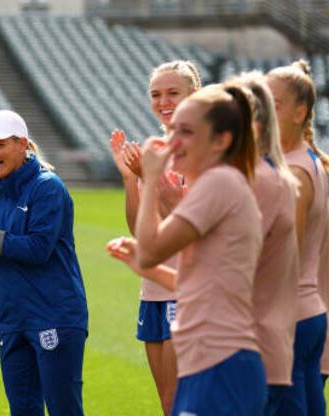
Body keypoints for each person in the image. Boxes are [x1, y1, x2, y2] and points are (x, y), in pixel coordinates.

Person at [107, 83, 267, 415]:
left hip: (220, 353)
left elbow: (152, 248)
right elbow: (200, 283)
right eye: (175, 129)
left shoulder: (217, 183)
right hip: (213, 351)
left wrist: (149, 180)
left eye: (187, 132)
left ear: (221, 141)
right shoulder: (223, 180)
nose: (174, 140)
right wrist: (144, 267)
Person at [0, 110, 88, 416]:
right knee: (23, 411)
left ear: (22, 144)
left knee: (63, 410)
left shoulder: (47, 187)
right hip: (12, 319)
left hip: (54, 314)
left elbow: (38, 248)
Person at [108, 60, 201, 415]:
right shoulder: (157, 148)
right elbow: (139, 228)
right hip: (154, 290)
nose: (163, 101)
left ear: (194, 95)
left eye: (172, 93)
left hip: (188, 286)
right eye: (156, 94)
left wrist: (154, 178)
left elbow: (192, 223)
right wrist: (131, 179)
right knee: (168, 404)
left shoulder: (203, 149)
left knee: (186, 403)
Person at [268, 60, 329, 415]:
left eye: (273, 104)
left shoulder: (292, 170)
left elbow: (285, 256)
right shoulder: (308, 159)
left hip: (289, 316)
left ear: (300, 112)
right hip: (309, 313)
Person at [235, 71, 300, 416]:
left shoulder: (259, 180)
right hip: (261, 339)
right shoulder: (268, 175)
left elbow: (229, 267)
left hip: (251, 343)